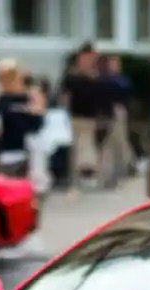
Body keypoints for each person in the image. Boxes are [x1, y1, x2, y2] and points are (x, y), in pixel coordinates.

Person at [59, 42, 106, 192]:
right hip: (75, 115)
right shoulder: (72, 76)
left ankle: (86, 173)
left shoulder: (95, 77)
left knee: (86, 145)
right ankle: (78, 174)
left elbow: (99, 98)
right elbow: (65, 95)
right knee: (78, 145)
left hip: (89, 116)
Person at [0, 58, 45, 178]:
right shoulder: (2, 99)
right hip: (7, 150)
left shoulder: (26, 99)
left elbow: (37, 124)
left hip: (22, 150)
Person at [98, 54, 134, 188]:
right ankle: (108, 175)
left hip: (118, 112)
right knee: (108, 146)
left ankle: (118, 173)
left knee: (119, 144)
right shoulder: (106, 80)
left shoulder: (120, 80)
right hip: (109, 113)